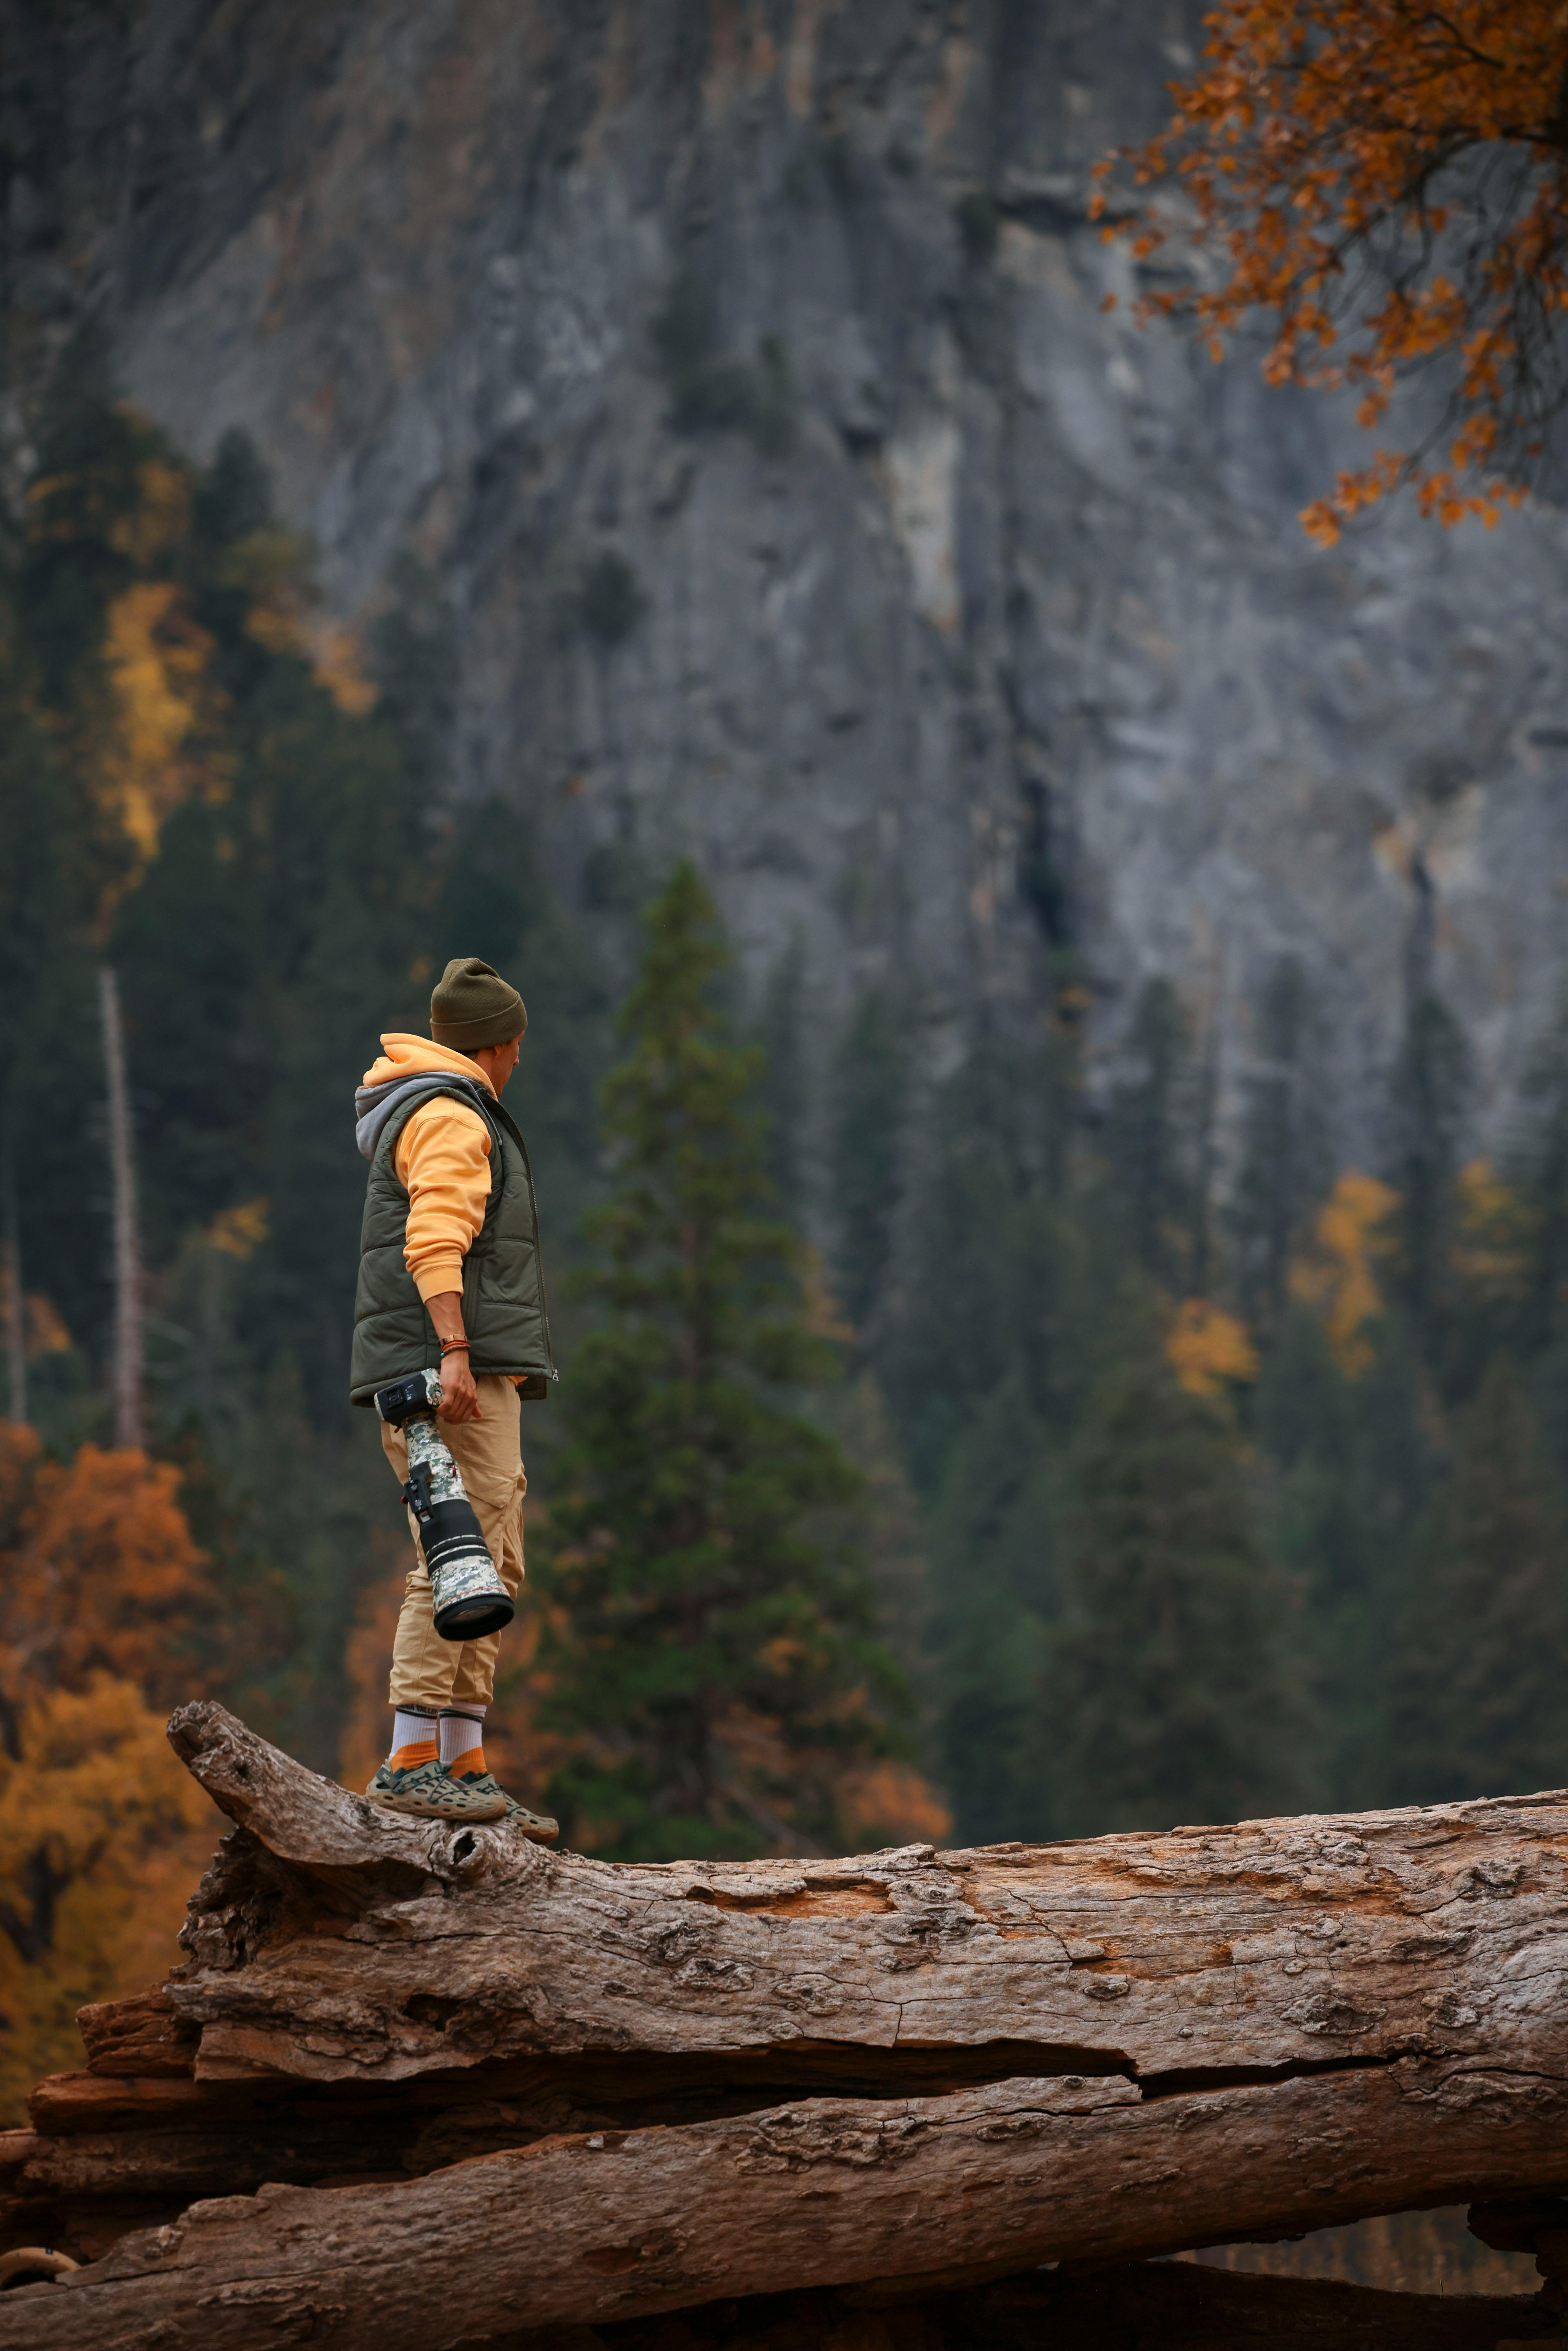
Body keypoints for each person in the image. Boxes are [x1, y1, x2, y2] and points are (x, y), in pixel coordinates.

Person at [350, 954, 557, 1833]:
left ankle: (464, 1764)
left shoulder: (448, 1108)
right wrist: (458, 1351)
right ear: (500, 1044)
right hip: (449, 1375)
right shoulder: (449, 1117)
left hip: (470, 1373)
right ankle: (408, 1759)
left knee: (494, 1563)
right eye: (517, 1047)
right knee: (455, 1556)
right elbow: (435, 1237)